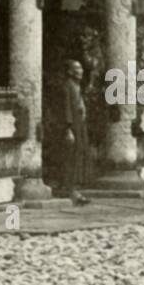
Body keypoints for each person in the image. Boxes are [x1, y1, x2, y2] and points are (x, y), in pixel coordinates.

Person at [62, 59, 92, 205]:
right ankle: (71, 191)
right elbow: (67, 108)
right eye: (77, 68)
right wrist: (68, 129)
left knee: (79, 155)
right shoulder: (67, 86)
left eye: (80, 68)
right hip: (73, 126)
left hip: (80, 125)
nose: (80, 71)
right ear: (69, 71)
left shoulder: (76, 86)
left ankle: (76, 190)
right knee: (72, 157)